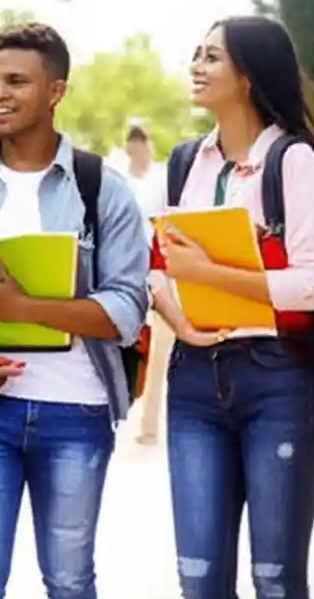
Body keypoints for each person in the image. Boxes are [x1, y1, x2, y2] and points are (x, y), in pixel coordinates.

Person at [0, 22, 149, 599]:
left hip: (76, 411)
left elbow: (126, 306)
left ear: (56, 91)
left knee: (69, 581)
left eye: (17, 81)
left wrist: (29, 308)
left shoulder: (99, 188)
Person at [150, 15, 314, 599]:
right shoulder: (186, 162)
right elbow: (152, 267)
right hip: (194, 383)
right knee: (200, 581)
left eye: (211, 57)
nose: (196, 66)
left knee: (275, 580)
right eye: (196, 54)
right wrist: (177, 316)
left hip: (278, 379)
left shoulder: (292, 160)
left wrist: (211, 274)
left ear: (249, 77)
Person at [119, 123, 175, 446]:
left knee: (160, 348)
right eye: (133, 142)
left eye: (142, 141)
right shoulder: (120, 179)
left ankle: (150, 425)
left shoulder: (161, 178)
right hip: (126, 269)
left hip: (160, 269)